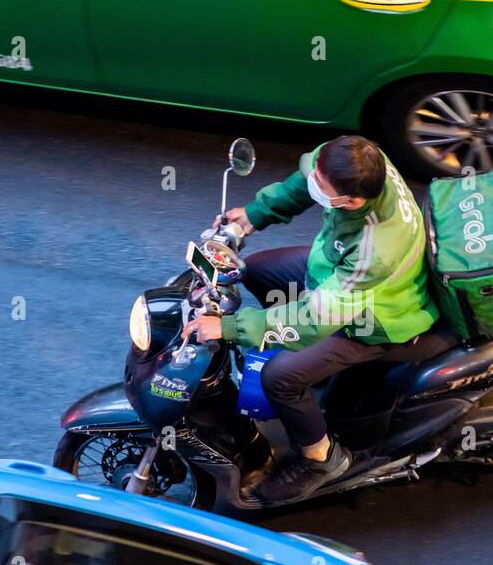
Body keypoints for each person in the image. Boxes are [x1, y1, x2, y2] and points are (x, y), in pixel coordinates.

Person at [184, 135, 446, 505]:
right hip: (334, 273)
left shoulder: (377, 250)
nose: (314, 185)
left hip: (376, 319)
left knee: (280, 378)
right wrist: (252, 217)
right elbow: (305, 178)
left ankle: (321, 458)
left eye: (322, 188)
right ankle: (278, 350)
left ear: (351, 201)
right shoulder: (359, 159)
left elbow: (317, 318)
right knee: (255, 270)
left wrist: (232, 328)